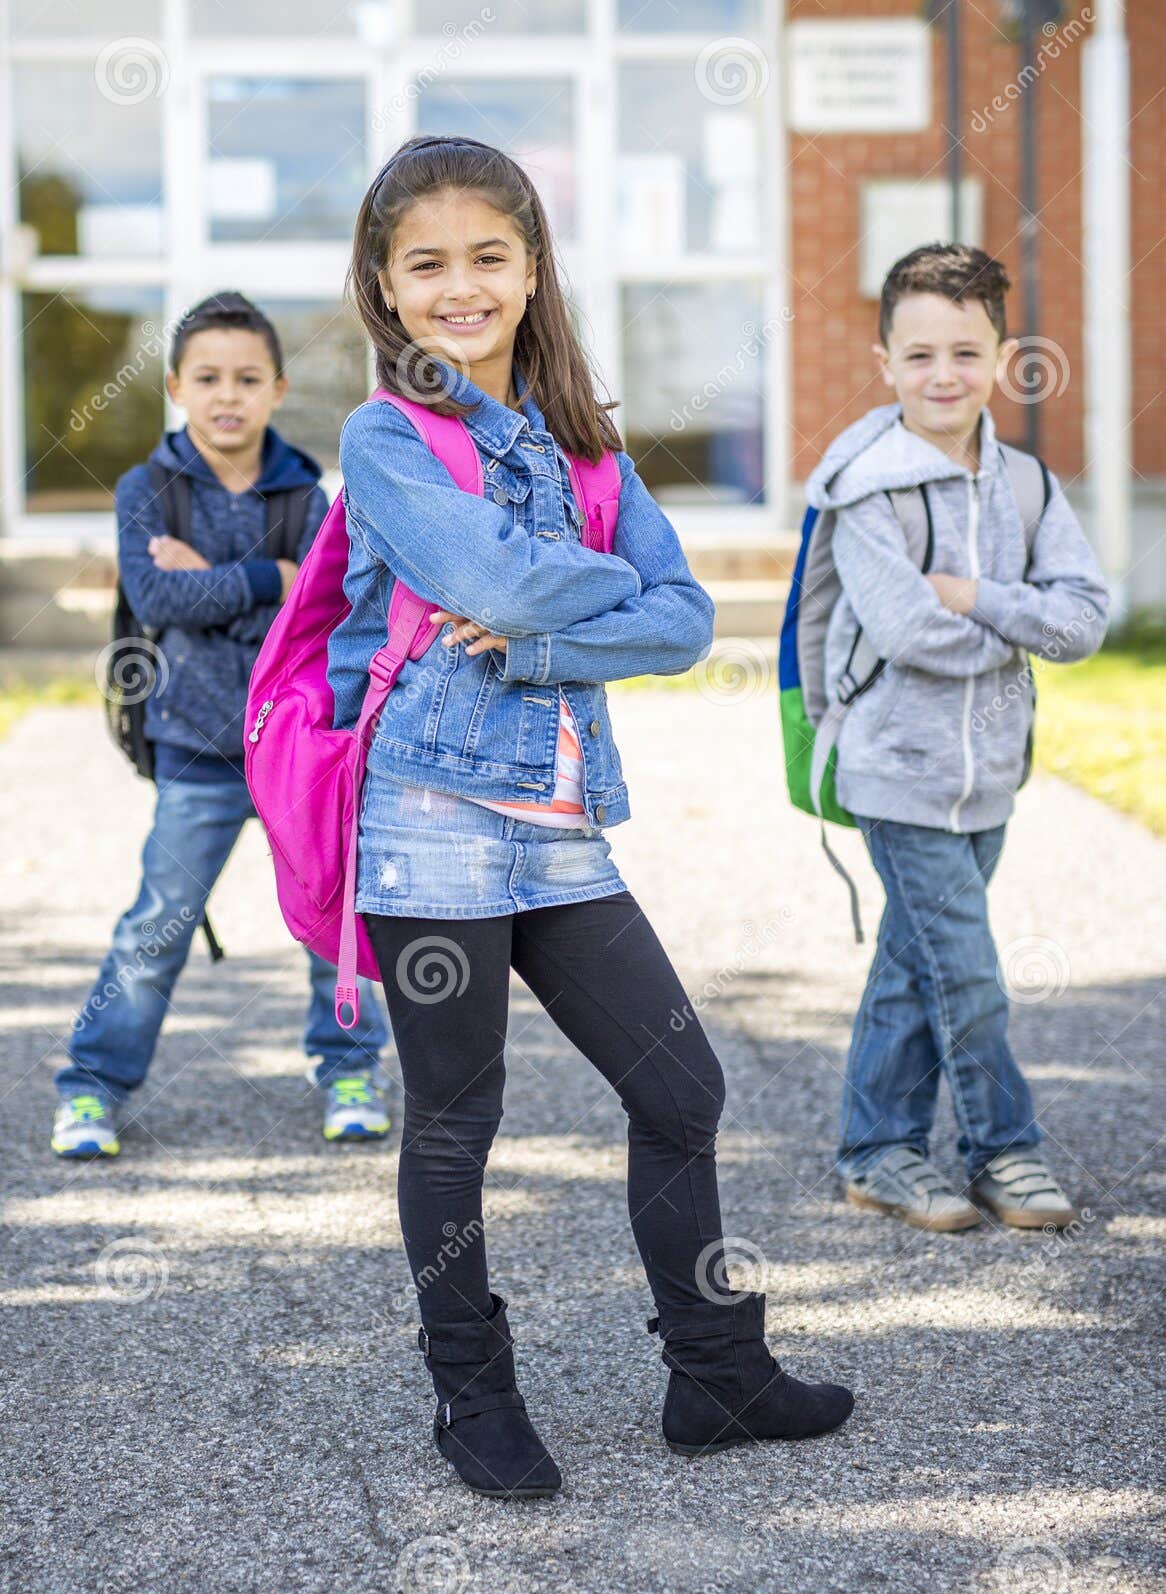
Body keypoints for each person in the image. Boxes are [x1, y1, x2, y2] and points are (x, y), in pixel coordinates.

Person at [328, 134, 856, 1499]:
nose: (461, 286)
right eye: (426, 263)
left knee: (682, 1085)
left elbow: (682, 617)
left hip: (559, 823)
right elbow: (480, 580)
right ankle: (472, 1398)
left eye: (487, 257)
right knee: (456, 1118)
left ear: (531, 266)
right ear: (385, 287)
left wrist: (541, 621)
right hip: (431, 812)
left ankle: (715, 1373)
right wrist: (565, 591)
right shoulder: (387, 437)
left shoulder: (584, 443)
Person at [805, 244, 1110, 1234]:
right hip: (895, 770)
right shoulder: (864, 486)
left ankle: (875, 1151)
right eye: (920, 354)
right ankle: (1002, 1151)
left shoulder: (1023, 484)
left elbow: (1083, 621)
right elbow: (905, 633)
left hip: (990, 776)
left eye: (964, 353)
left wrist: (976, 595)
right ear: (884, 359)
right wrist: (1017, 623)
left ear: (1001, 356)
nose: (943, 375)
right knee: (967, 970)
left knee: (913, 964)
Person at [53, 293, 390, 1159]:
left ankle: (348, 1067)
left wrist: (227, 586)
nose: (227, 395)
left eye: (247, 378)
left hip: (295, 747)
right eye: (207, 378)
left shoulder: (307, 493)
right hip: (195, 746)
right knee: (159, 922)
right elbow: (158, 596)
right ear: (175, 387)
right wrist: (267, 579)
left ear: (278, 388)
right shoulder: (146, 490)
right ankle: (91, 1086)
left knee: (336, 915)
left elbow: (316, 619)